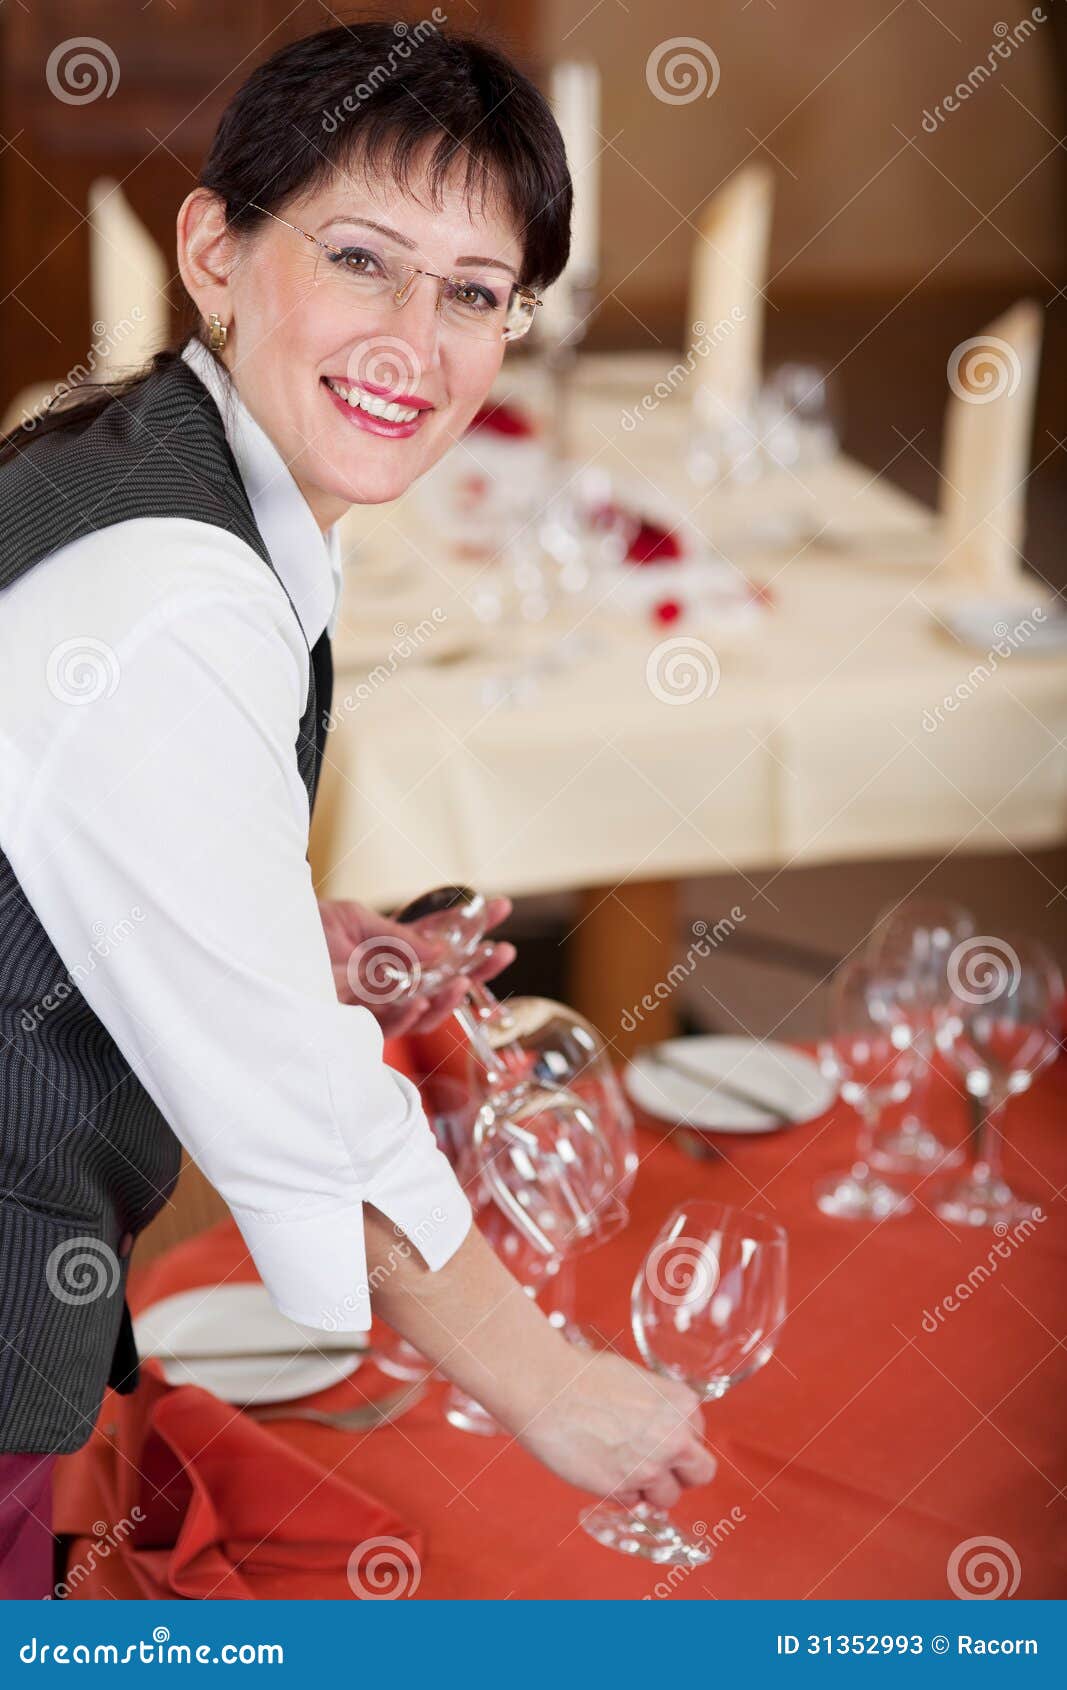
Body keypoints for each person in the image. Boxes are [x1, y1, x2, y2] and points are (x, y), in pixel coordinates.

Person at [0, 22, 713, 1597]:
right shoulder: (176, 592)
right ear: (216, 250)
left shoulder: (157, 460)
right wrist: (554, 1383)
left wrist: (282, 932)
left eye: (474, 292)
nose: (415, 340)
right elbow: (297, 1106)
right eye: (361, 260)